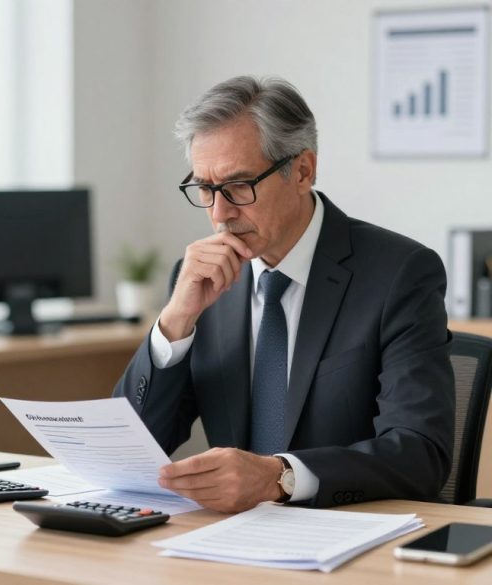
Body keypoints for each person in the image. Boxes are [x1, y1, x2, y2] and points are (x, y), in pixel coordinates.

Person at [113, 76, 454, 513]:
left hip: (347, 539)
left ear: (303, 170)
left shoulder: (398, 274)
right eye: (205, 189)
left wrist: (280, 476)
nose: (220, 214)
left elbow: (421, 454)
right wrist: (175, 322)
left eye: (239, 186)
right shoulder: (197, 281)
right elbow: (129, 452)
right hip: (227, 545)